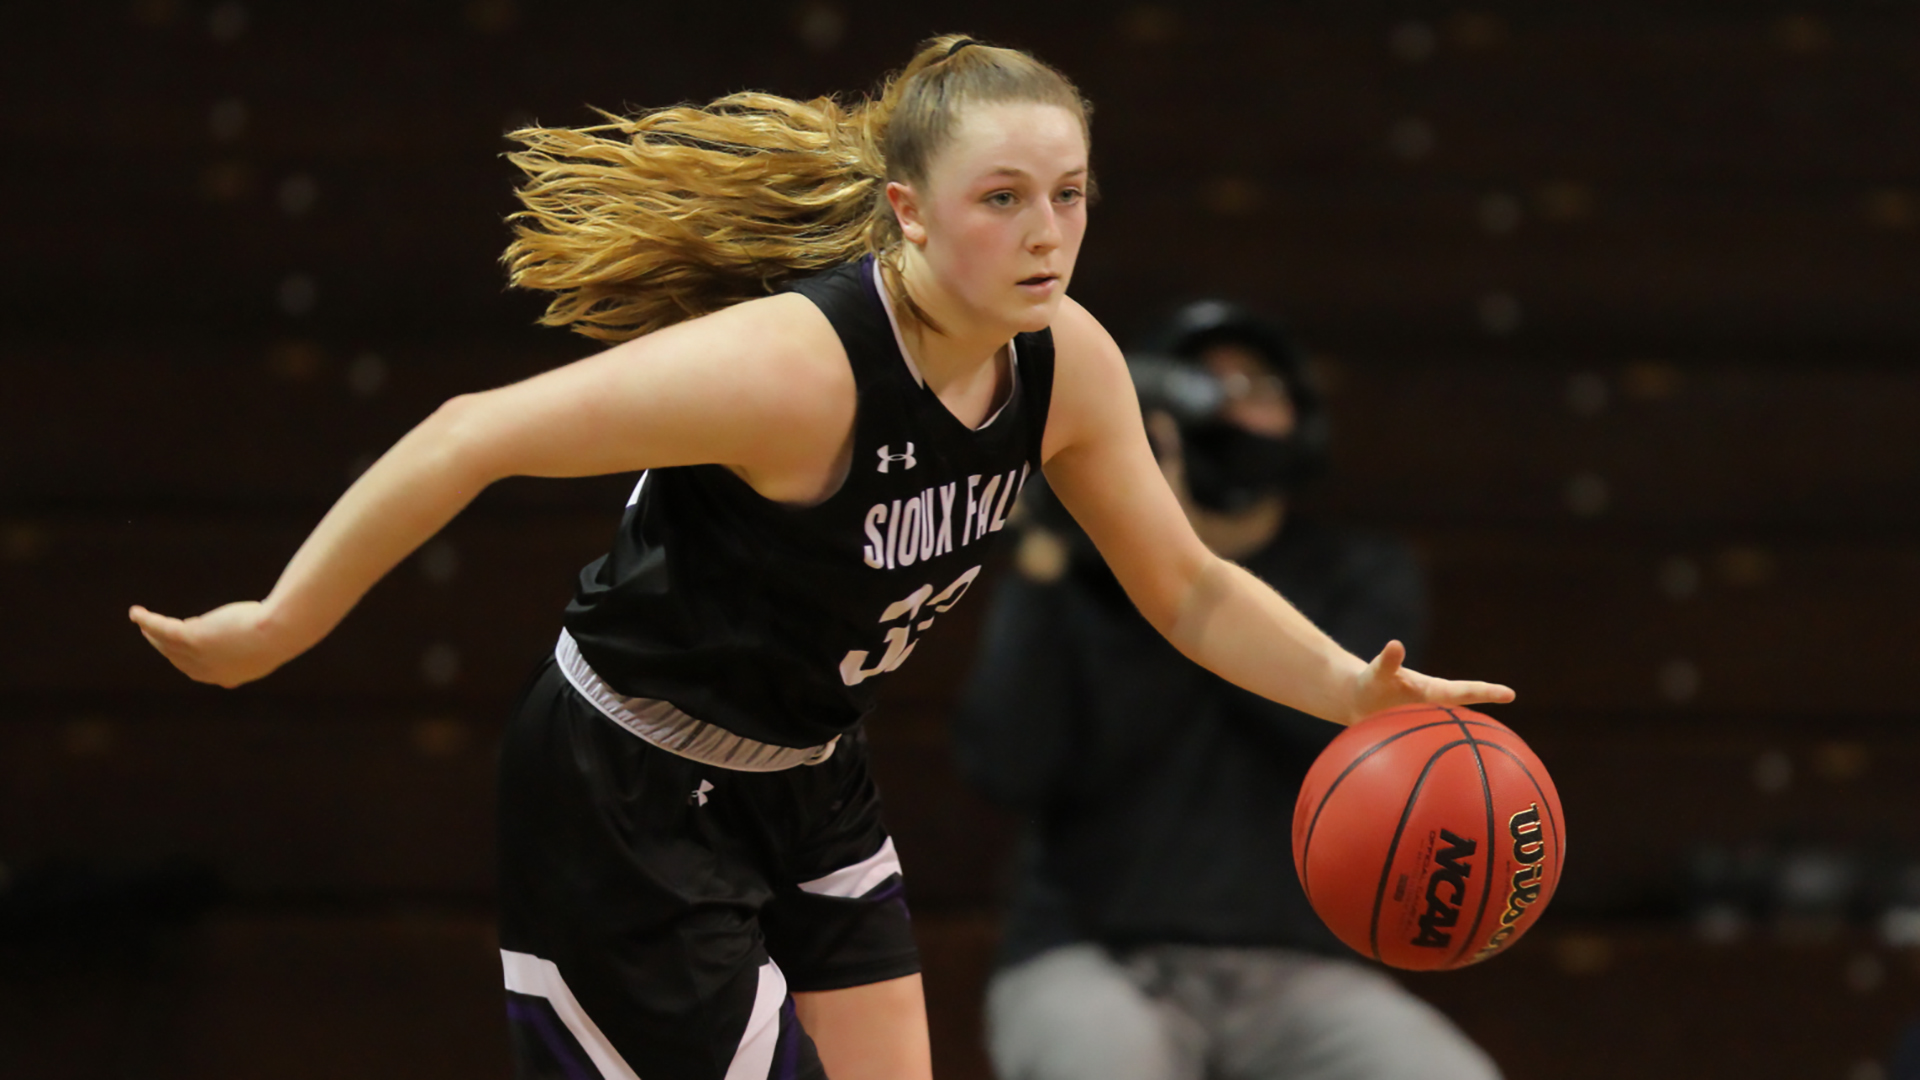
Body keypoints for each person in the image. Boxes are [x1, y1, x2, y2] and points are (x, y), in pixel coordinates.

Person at [126, 35, 1513, 1080]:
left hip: (806, 772)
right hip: (629, 788)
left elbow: (1190, 585)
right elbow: (467, 431)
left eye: (1072, 195)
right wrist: (280, 622)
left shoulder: (1065, 364)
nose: (1047, 235)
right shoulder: (799, 373)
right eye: (1004, 199)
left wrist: (1344, 687)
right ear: (908, 213)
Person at [953, 303, 1503, 1080]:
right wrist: (1102, 552)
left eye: (1254, 386)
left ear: (1301, 419)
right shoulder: (1074, 570)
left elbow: (1331, 738)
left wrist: (1186, 580)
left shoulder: (1360, 574)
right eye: (1202, 389)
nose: (1228, 408)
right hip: (1092, 957)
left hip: (1297, 971)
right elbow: (1005, 765)